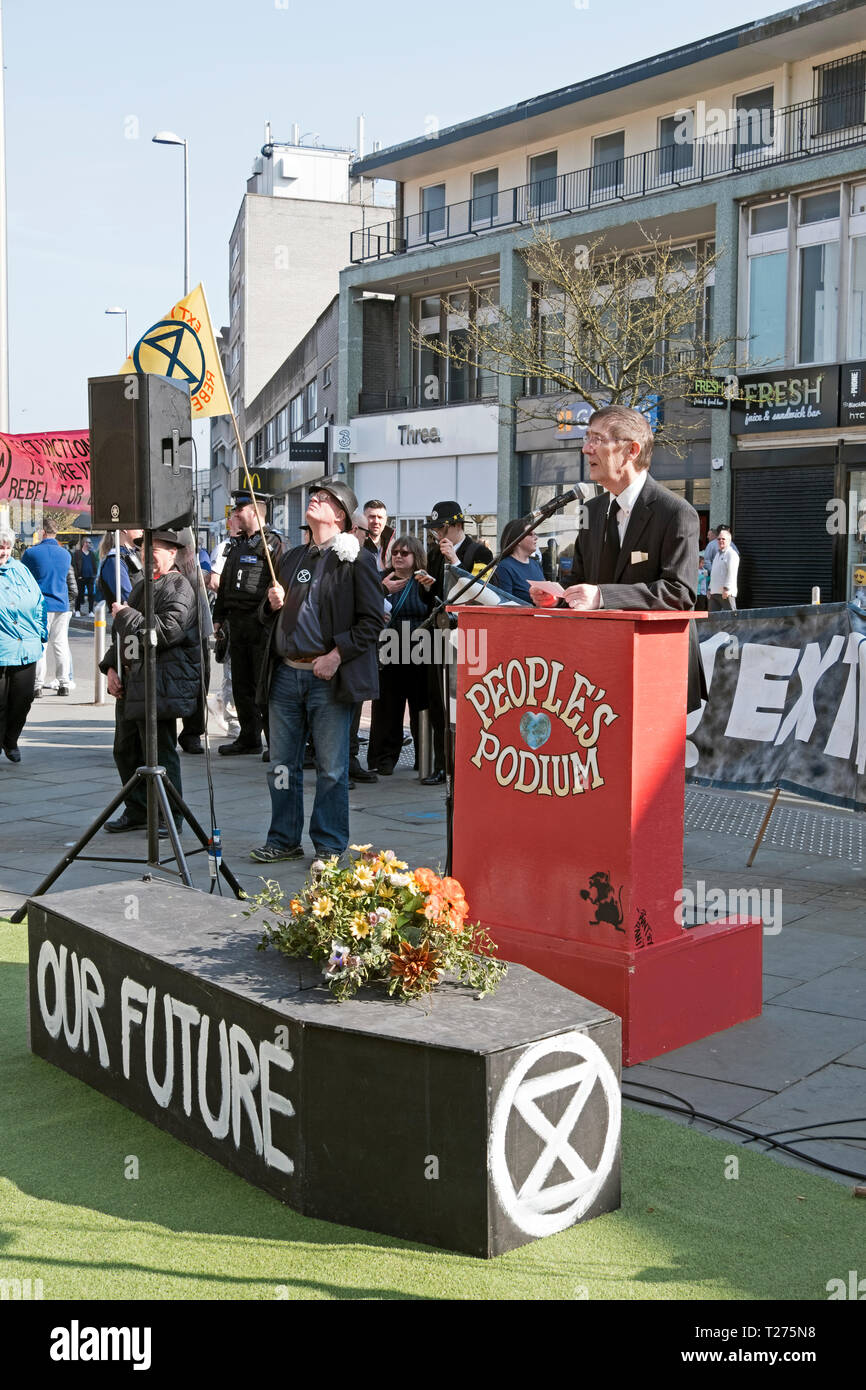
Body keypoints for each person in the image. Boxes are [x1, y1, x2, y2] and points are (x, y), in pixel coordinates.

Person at [250, 482, 384, 863]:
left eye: (324, 498)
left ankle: (329, 844)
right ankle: (283, 839)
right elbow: (266, 618)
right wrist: (271, 604)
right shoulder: (291, 557)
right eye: (315, 495)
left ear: (339, 515)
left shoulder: (356, 561)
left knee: (331, 768)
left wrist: (337, 655)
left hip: (327, 678)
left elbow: (372, 622)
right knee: (281, 765)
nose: (314, 499)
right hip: (285, 676)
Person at [553, 405, 705, 714]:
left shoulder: (675, 512)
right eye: (586, 438)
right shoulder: (591, 512)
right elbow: (579, 581)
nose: (586, 449)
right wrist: (558, 597)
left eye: (597, 438)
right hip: (598, 674)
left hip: (657, 673)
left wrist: (602, 596)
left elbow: (680, 594)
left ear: (631, 450)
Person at [100, 531, 201, 835]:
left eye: (156, 550)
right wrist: (112, 668)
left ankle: (169, 816)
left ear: (173, 553)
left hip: (162, 681)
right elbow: (128, 639)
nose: (149, 555)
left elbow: (167, 631)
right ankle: (139, 809)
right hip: (135, 680)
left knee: (161, 751)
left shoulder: (180, 586)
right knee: (126, 749)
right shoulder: (141, 585)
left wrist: (128, 616)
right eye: (144, 550)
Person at [423, 501, 494, 785]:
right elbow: (431, 600)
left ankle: (464, 764)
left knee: (462, 704)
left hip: (466, 639)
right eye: (434, 530)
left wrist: (456, 563)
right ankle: (442, 764)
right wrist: (426, 585)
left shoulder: (481, 552)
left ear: (456, 525)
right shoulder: (434, 553)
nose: (437, 536)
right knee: (438, 704)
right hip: (438, 637)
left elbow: (482, 593)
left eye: (441, 529)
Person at [212, 491, 283, 756]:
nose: (234, 516)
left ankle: (274, 742)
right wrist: (218, 618)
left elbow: (279, 586)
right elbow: (226, 584)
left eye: (239, 511)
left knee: (261, 685)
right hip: (236, 624)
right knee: (240, 684)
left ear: (253, 511)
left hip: (260, 623)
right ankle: (249, 737)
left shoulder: (273, 543)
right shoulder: (236, 545)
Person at [368, 534, 435, 776]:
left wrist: (429, 590)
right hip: (388, 648)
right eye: (395, 552)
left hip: (420, 648)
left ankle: (426, 758)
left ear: (415, 557)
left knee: (421, 707)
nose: (398, 556)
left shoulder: (424, 581)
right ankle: (383, 759)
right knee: (386, 707)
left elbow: (434, 610)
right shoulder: (381, 579)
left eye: (404, 553)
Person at [0, 525, 47, 762]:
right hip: (1, 647)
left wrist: (40, 632)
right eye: (0, 547)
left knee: (23, 699)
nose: (4, 552)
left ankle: (11, 739)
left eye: (7, 548)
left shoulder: (21, 569)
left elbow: (39, 602)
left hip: (27, 646)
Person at [21, 522, 77, 697]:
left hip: (40, 605)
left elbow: (24, 579)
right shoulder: (65, 555)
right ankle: (64, 683)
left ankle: (37, 685)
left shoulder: (31, 553)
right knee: (61, 644)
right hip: (62, 604)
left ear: (42, 532)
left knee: (40, 645)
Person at [494, 520, 545, 603]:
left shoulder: (536, 564)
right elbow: (505, 604)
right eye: (530, 534)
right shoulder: (504, 567)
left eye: (535, 534)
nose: (536, 538)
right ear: (518, 540)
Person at [97, 529, 144, 607]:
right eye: (138, 526)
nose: (142, 530)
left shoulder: (139, 553)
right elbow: (128, 598)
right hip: (133, 615)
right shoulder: (114, 560)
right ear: (125, 529)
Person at [708, 526, 739, 612]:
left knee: (731, 618)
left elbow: (731, 572)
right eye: (719, 539)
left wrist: (727, 588)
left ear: (729, 541)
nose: (720, 541)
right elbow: (714, 573)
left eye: (723, 539)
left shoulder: (732, 554)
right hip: (714, 592)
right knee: (712, 618)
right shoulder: (717, 554)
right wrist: (710, 588)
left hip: (726, 593)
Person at [362, 499, 394, 573]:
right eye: (372, 517)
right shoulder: (354, 544)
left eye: (380, 517)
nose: (376, 521)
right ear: (363, 518)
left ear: (386, 519)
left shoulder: (393, 545)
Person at [72, 539, 97, 614]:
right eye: (88, 542)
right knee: (80, 594)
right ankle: (77, 610)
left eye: (90, 542)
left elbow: (94, 564)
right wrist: (78, 575)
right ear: (84, 543)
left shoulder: (92, 553)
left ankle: (91, 611)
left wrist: (94, 574)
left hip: (90, 577)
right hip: (81, 577)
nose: (90, 544)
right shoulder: (77, 553)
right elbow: (74, 565)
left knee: (91, 594)